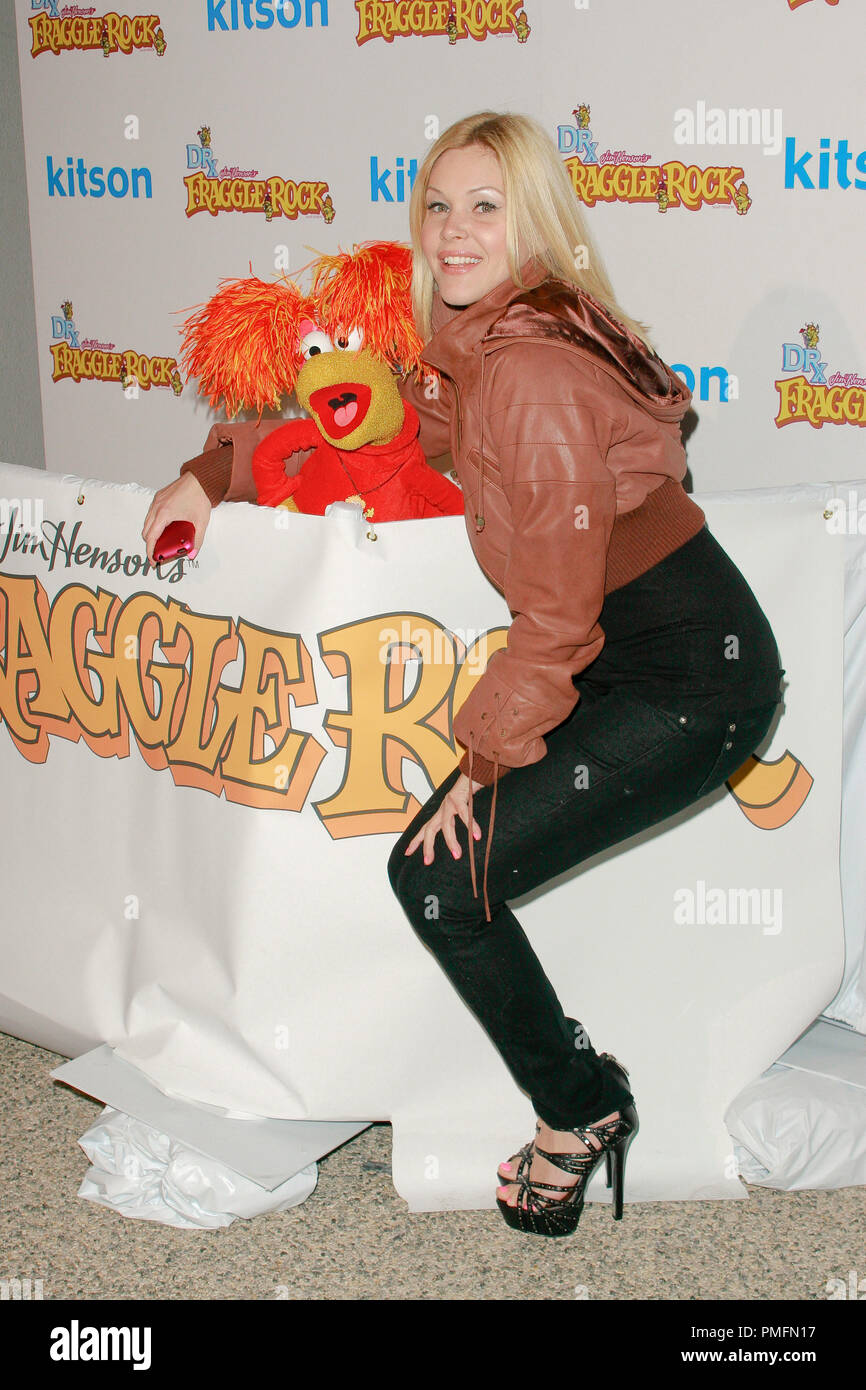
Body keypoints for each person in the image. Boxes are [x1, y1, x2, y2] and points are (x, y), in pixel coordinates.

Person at [142, 110, 784, 1240]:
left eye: (483, 206)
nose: (450, 230)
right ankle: (576, 1101)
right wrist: (218, 466)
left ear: (531, 218)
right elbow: (393, 437)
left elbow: (553, 621)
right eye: (437, 204)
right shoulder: (484, 335)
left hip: (688, 682)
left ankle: (578, 1113)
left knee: (438, 878)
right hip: (633, 657)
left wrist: (482, 762)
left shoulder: (526, 365)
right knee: (449, 876)